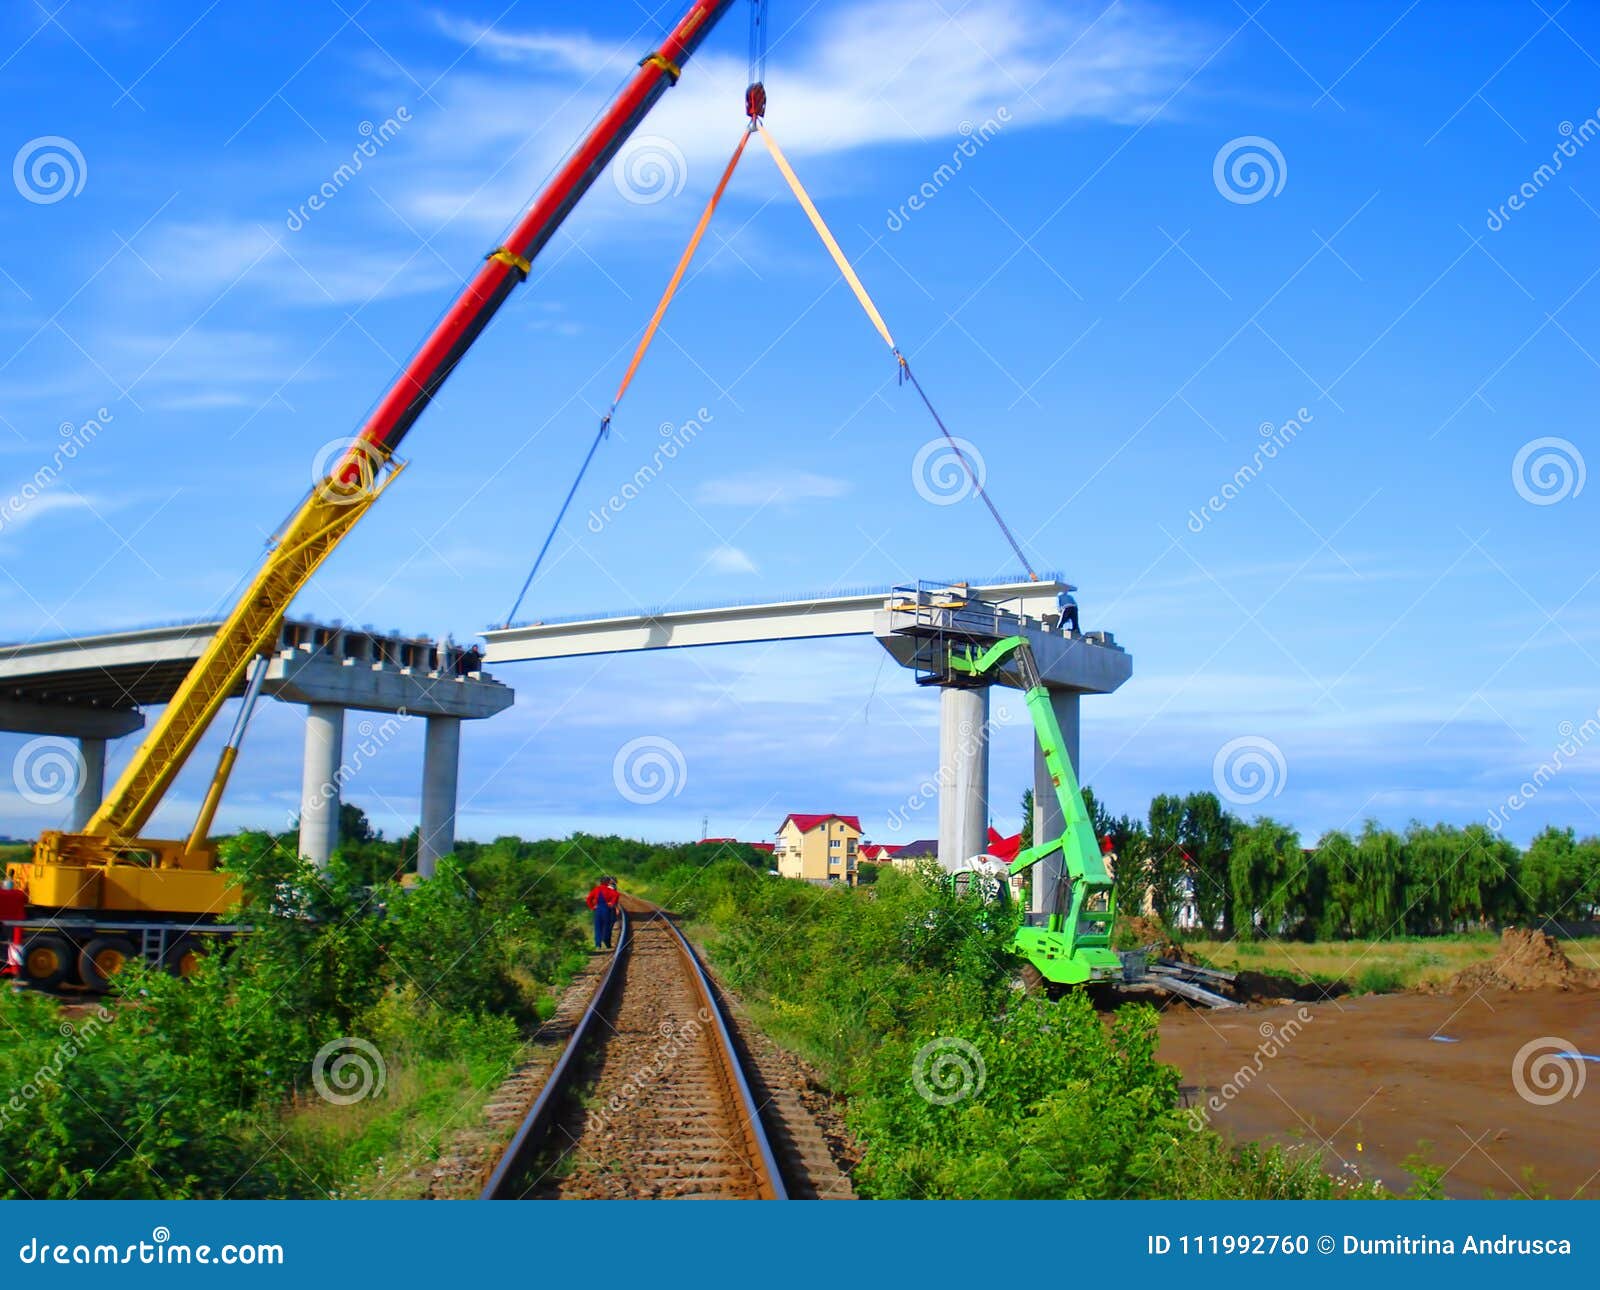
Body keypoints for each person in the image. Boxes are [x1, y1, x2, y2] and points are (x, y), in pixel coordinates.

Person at [586, 876, 621, 950]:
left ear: (600, 882)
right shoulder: (609, 890)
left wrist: (592, 907)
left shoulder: (596, 889)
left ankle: (598, 945)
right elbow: (617, 895)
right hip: (606, 910)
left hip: (598, 910)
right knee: (606, 926)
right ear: (608, 882)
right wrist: (612, 903)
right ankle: (606, 942)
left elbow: (589, 899)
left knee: (598, 927)